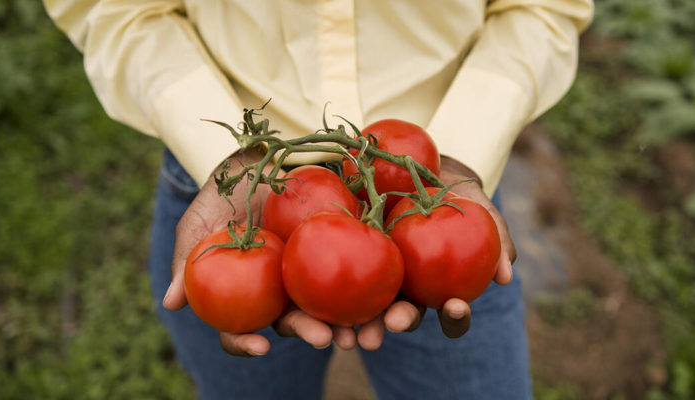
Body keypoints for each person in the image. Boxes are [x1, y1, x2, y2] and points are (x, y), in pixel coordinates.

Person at [44, 1, 593, 398]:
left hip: (431, 190)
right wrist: (228, 156)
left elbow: (543, 8)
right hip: (235, 198)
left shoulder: (436, 200)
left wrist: (463, 155)